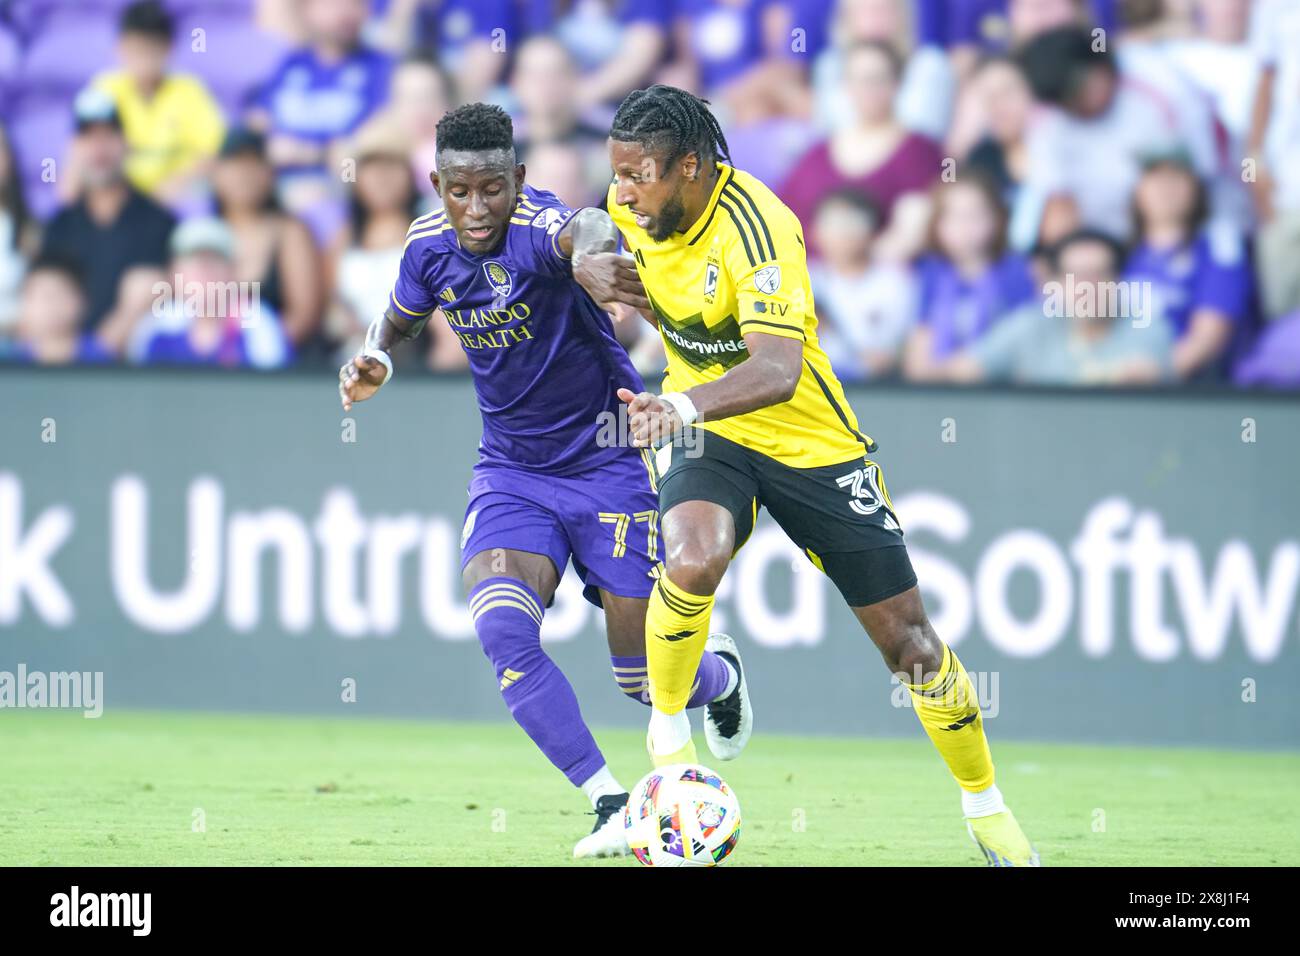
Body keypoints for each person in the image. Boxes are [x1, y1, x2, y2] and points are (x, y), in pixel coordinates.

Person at [584, 84, 1039, 865]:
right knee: (691, 558)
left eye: (638, 175)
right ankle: (668, 760)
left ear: (690, 167)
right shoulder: (634, 207)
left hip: (807, 443)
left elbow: (778, 368)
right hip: (709, 434)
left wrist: (682, 407)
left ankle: (986, 808)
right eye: (616, 174)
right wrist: (593, 259)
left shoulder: (761, 229)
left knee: (911, 646)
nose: (623, 191)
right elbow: (589, 224)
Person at [336, 104, 746, 860]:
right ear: (437, 184)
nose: (477, 207)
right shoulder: (427, 248)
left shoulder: (542, 230)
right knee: (500, 628)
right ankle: (611, 802)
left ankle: (718, 680)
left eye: (493, 187)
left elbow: (585, 227)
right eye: (459, 190)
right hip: (512, 472)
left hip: (608, 459)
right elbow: (397, 321)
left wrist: (591, 255)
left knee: (641, 678)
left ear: (518, 179)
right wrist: (376, 359)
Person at [943, 229, 1176, 385]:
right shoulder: (1032, 324)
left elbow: (1152, 373)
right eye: (1076, 275)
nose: (1088, 286)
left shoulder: (1146, 326)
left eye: (1100, 274)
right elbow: (964, 370)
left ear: (1117, 281)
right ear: (1056, 284)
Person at [40, 88, 175, 353]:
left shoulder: (159, 222)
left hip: (138, 366)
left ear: (126, 143)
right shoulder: (59, 226)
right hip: (64, 368)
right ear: (74, 149)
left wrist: (100, 348)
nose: (99, 149)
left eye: (108, 136)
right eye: (88, 137)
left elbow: (163, 302)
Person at [781, 40, 943, 261]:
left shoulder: (919, 153)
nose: (867, 89)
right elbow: (781, 219)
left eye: (876, 79)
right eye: (857, 80)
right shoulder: (816, 154)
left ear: (897, 84)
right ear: (845, 86)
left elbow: (911, 234)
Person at [1123, 154, 1253, 381]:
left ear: (1196, 189)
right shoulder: (1122, 253)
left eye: (1176, 179)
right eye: (1155, 179)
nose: (1165, 189)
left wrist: (1154, 374)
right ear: (1138, 191)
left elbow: (1209, 337)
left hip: (1194, 391)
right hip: (1122, 386)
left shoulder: (1218, 247)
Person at [903, 173, 1036, 381]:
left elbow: (1024, 346)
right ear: (936, 223)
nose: (965, 227)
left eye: (975, 216)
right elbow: (918, 356)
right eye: (954, 216)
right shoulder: (929, 272)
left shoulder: (1016, 272)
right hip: (938, 390)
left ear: (997, 219)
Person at [91, 0, 225, 205]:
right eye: (136, 50)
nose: (143, 60)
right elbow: (87, 151)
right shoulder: (105, 90)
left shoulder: (189, 91)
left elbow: (214, 152)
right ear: (120, 48)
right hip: (121, 200)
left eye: (150, 50)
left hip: (177, 200)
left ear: (168, 48)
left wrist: (173, 185)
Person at [212, 127, 324, 349]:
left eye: (254, 164)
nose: (244, 174)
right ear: (217, 174)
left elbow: (303, 315)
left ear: (270, 174)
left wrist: (259, 353)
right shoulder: (202, 233)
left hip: (275, 368)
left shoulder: (290, 233)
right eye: (235, 164)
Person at [132, 217, 290, 369]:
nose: (204, 268)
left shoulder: (259, 324)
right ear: (173, 272)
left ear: (233, 271)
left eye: (215, 259)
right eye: (193, 259)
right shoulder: (156, 327)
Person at [806, 188, 917, 381]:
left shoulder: (896, 282)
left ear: (873, 232)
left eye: (853, 224)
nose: (843, 234)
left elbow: (902, 349)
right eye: (833, 224)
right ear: (814, 232)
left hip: (878, 389)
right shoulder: (803, 280)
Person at [10, 257, 113, 365]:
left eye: (61, 294)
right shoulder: (10, 359)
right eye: (43, 296)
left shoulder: (101, 356)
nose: (52, 306)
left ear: (83, 300)